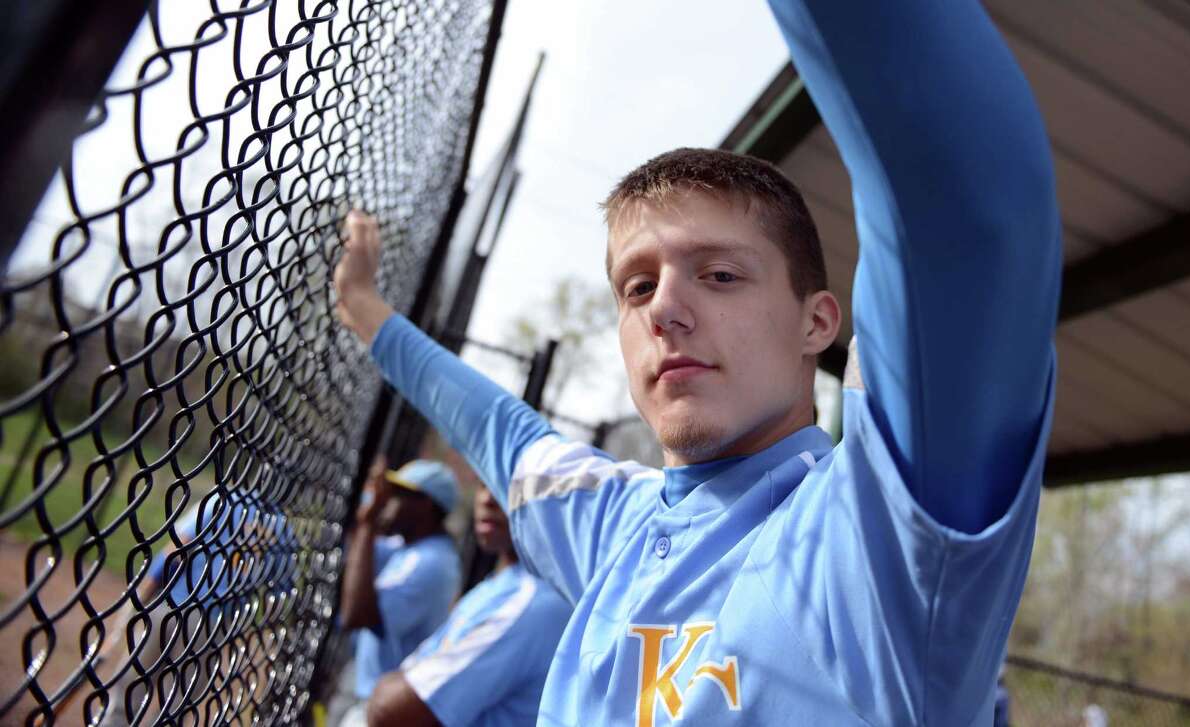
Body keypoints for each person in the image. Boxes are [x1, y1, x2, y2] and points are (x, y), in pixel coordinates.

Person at [333, 0, 1060, 723]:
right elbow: (496, 425)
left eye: (720, 275)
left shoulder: (869, 544)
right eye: (638, 285)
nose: (664, 308)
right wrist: (367, 309)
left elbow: (968, 211)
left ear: (817, 323)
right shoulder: (614, 521)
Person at [365, 485, 572, 726]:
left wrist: (388, 687)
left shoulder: (533, 602)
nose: (487, 498)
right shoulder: (508, 582)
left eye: (509, 485)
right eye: (484, 483)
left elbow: (389, 712)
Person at [98, 491, 288, 726]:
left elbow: (177, 548)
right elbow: (279, 594)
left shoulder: (222, 500)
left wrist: (143, 594)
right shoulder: (282, 528)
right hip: (213, 624)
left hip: (170, 604)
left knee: (130, 686)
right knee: (176, 704)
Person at [338, 459, 462, 726]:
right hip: (371, 698)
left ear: (425, 505)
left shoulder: (431, 563)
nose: (385, 502)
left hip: (382, 712)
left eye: (396, 495)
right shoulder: (410, 548)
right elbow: (355, 548)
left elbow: (355, 615)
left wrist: (368, 522)